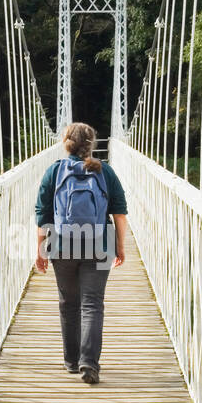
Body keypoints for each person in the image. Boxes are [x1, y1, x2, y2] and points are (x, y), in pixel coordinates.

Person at [34, 122, 128, 385]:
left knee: (68, 303)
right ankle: (89, 363)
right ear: (92, 144)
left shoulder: (54, 171)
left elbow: (43, 215)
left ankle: (71, 361)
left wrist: (41, 249)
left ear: (66, 142)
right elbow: (119, 213)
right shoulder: (105, 171)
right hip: (99, 244)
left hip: (62, 245)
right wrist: (120, 246)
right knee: (92, 304)